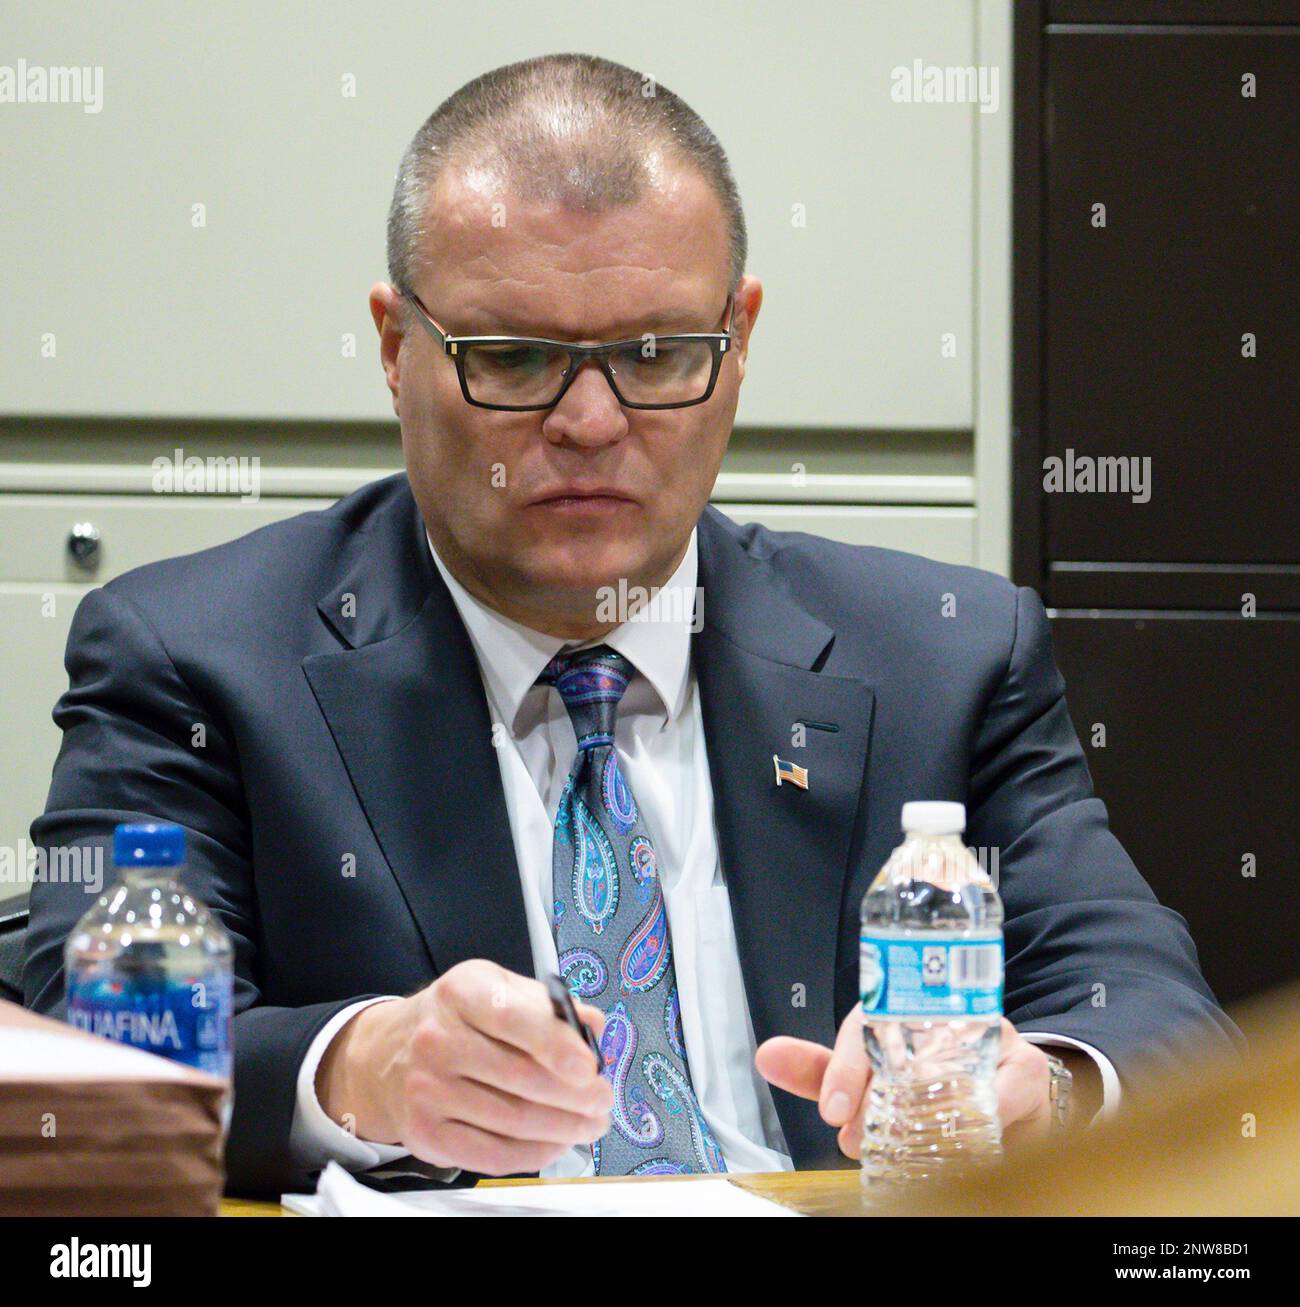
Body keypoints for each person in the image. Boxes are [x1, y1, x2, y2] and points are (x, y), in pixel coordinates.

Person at [23, 53, 1241, 1195]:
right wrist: (361, 1068)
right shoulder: (195, 654)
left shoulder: (944, 653)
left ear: (741, 336)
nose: (592, 421)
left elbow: (1141, 995)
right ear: (396, 348)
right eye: (511, 357)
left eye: (658, 354)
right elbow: (85, 1046)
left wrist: (1044, 1085)